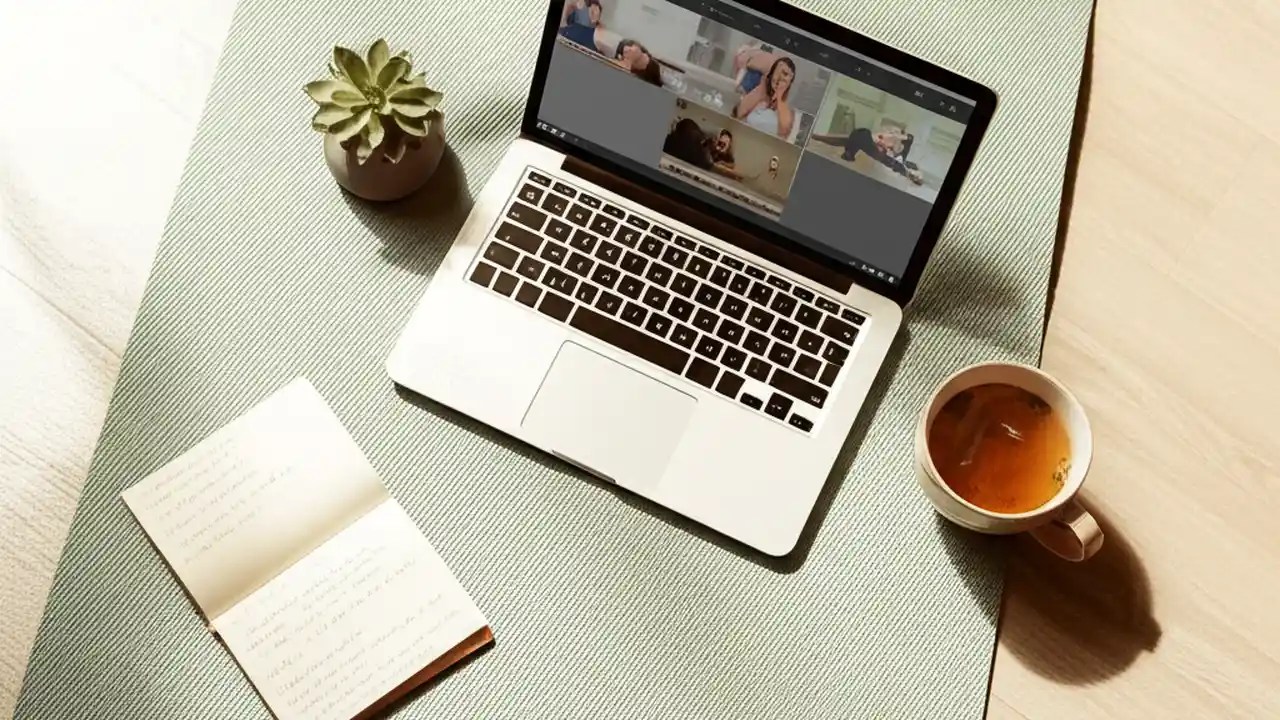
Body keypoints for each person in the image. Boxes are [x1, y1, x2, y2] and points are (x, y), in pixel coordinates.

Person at [811, 126, 924, 184]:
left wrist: (892, 137)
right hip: (872, 148)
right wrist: (893, 137)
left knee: (862, 135)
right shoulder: (898, 156)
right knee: (856, 138)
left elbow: (909, 139)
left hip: (882, 157)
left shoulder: (902, 166)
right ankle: (847, 152)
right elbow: (910, 139)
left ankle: (848, 153)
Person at [732, 49, 797, 139]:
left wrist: (780, 95)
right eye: (777, 73)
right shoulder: (760, 98)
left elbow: (784, 131)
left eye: (785, 75)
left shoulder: (787, 111)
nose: (779, 78)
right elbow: (738, 114)